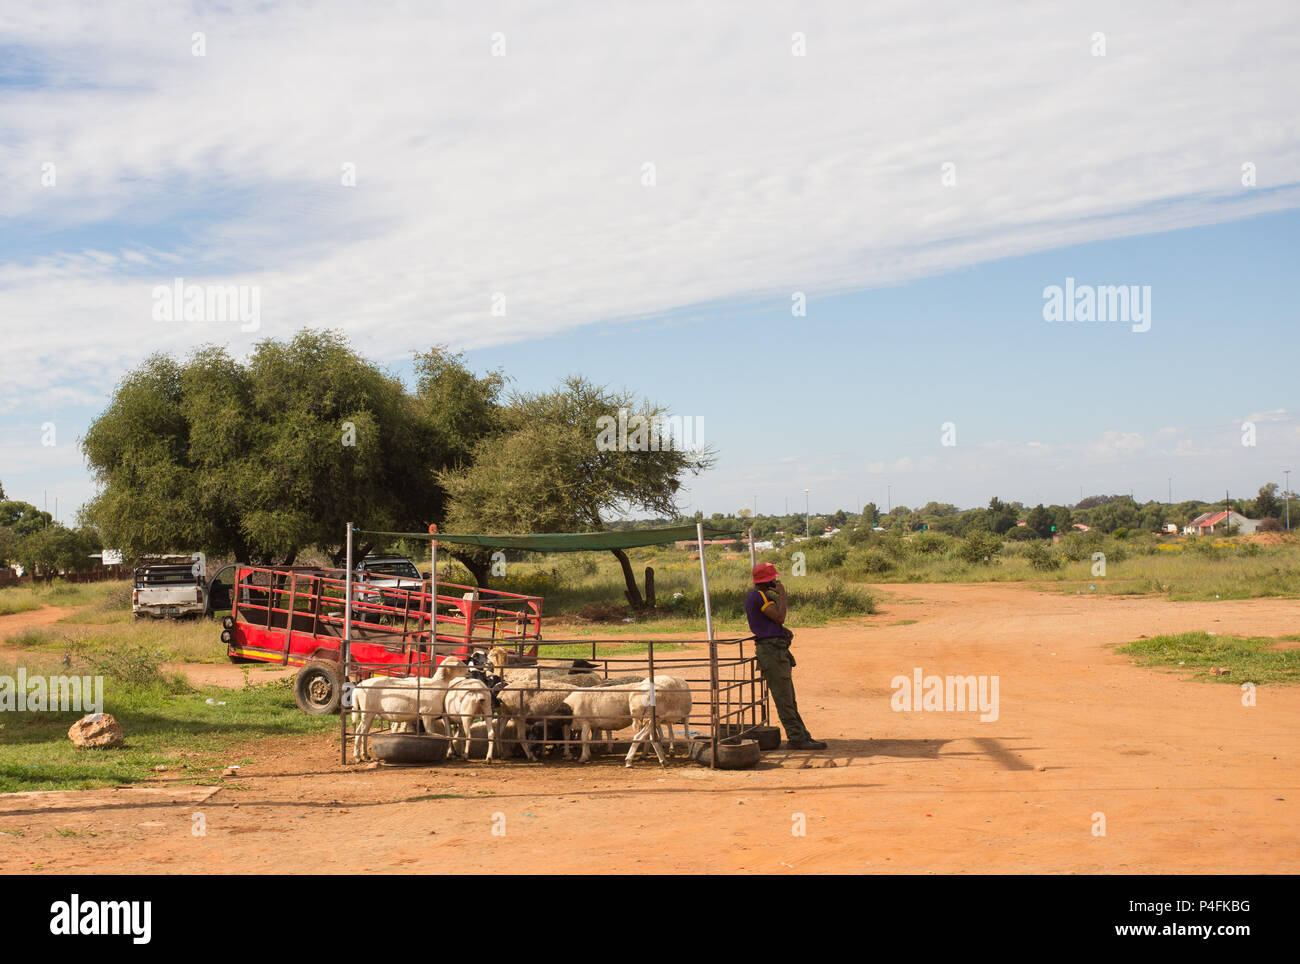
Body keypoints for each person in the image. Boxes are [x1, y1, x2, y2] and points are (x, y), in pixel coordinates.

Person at [744, 562, 827, 750]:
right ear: (769, 580)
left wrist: (781, 630)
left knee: (789, 696)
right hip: (771, 652)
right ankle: (796, 737)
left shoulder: (757, 596)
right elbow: (779, 617)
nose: (776, 581)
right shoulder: (762, 597)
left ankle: (801, 734)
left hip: (775, 649)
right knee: (784, 697)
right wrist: (783, 596)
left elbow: (769, 623)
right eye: (773, 578)